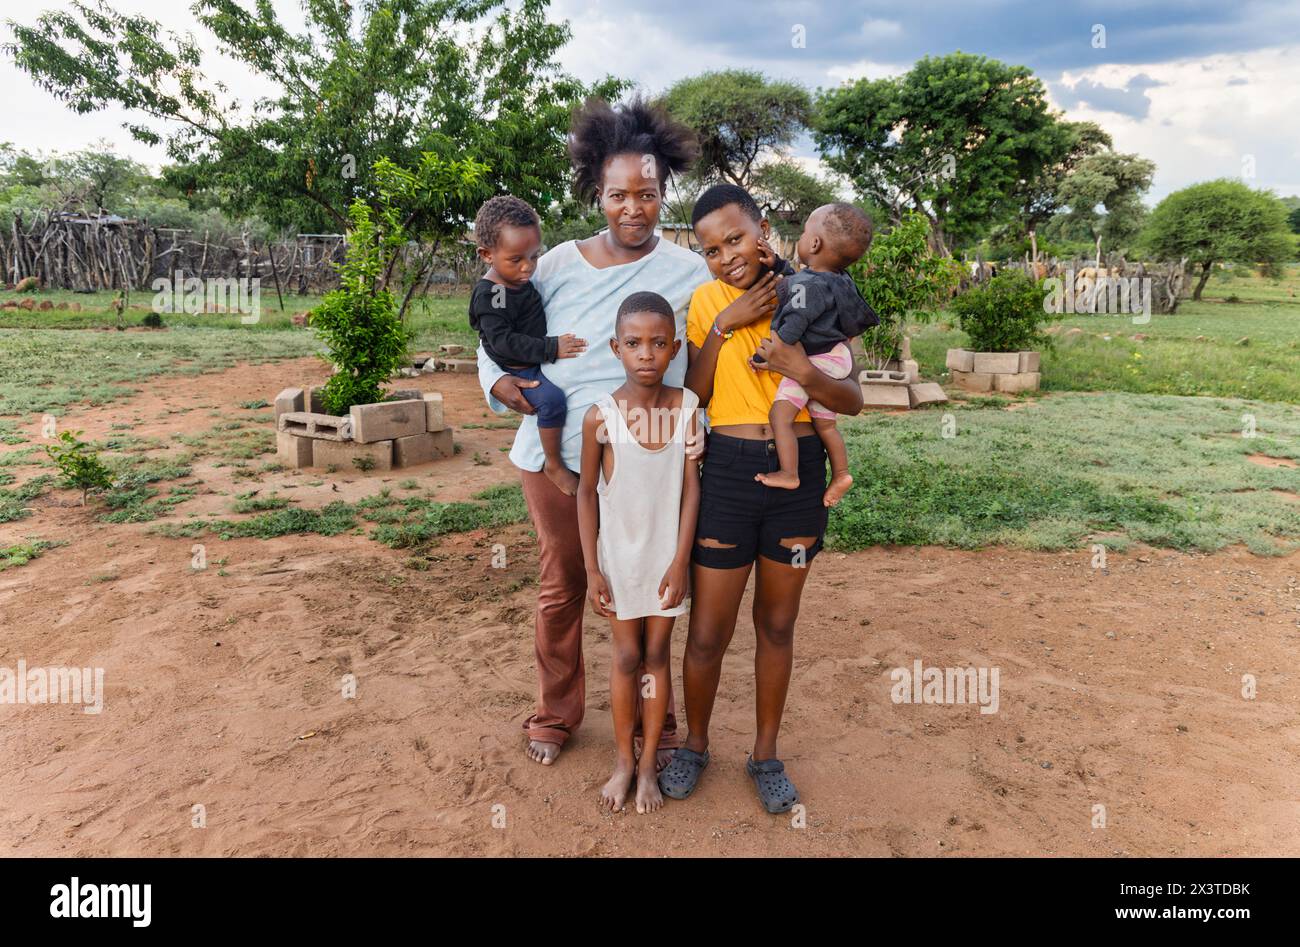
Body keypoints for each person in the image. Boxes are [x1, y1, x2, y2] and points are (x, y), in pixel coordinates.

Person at [475, 96, 709, 768]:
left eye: (648, 193)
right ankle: (556, 711)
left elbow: (704, 354)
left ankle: (654, 723)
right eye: (617, 194)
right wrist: (496, 384)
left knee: (646, 586)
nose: (633, 208)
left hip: (648, 464)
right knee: (565, 583)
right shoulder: (552, 266)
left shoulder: (688, 273)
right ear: (594, 192)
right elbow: (496, 333)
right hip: (555, 458)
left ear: (664, 192)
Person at [657, 183, 864, 813]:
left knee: (777, 625)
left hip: (796, 477)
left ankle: (765, 755)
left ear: (764, 227)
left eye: (735, 238)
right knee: (708, 632)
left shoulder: (813, 290)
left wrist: (800, 369)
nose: (726, 256)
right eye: (711, 249)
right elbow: (693, 392)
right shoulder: (702, 302)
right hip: (726, 473)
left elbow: (850, 397)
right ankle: (693, 744)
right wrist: (725, 325)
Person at [576, 291, 700, 813]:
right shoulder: (599, 417)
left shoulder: (689, 408)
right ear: (615, 347)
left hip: (666, 560)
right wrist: (591, 570)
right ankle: (623, 762)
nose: (645, 353)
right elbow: (585, 493)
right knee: (626, 656)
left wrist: (680, 562)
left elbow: (692, 489)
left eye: (657, 343)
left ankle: (650, 762)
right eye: (633, 343)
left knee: (656, 656)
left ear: (674, 348)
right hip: (619, 561)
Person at [754, 203, 878, 507]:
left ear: (814, 243)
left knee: (779, 417)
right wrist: (779, 265)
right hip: (837, 357)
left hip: (816, 361)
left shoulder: (809, 287)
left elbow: (795, 319)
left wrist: (768, 356)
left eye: (805, 230)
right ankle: (842, 473)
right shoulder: (837, 279)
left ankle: (788, 472)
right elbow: (799, 282)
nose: (802, 236)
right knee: (826, 425)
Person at [469, 195, 588, 495]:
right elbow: (502, 341)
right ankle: (553, 464)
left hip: (534, 359)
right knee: (552, 401)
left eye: (534, 256)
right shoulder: (494, 293)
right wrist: (551, 348)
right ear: (487, 254)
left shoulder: (518, 282)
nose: (528, 267)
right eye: (516, 260)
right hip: (521, 366)